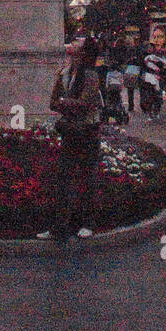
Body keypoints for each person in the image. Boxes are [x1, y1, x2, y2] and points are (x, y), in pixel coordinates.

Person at [39, 36, 103, 241]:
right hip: (70, 131)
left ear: (84, 52)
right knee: (64, 179)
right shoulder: (64, 73)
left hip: (87, 131)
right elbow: (52, 102)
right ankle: (59, 225)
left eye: (79, 42)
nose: (74, 42)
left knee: (87, 177)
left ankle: (88, 222)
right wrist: (69, 103)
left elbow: (85, 104)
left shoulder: (91, 76)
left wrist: (64, 102)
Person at [142, 39, 166, 118]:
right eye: (148, 48)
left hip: (156, 78)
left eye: (151, 48)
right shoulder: (145, 57)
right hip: (148, 78)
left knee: (157, 95)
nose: (149, 49)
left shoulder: (157, 57)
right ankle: (150, 112)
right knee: (149, 95)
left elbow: (165, 65)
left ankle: (156, 111)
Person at [123, 45, 141, 115]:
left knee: (130, 90)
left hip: (130, 74)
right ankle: (131, 105)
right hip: (133, 73)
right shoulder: (135, 58)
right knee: (131, 90)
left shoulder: (129, 59)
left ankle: (131, 105)